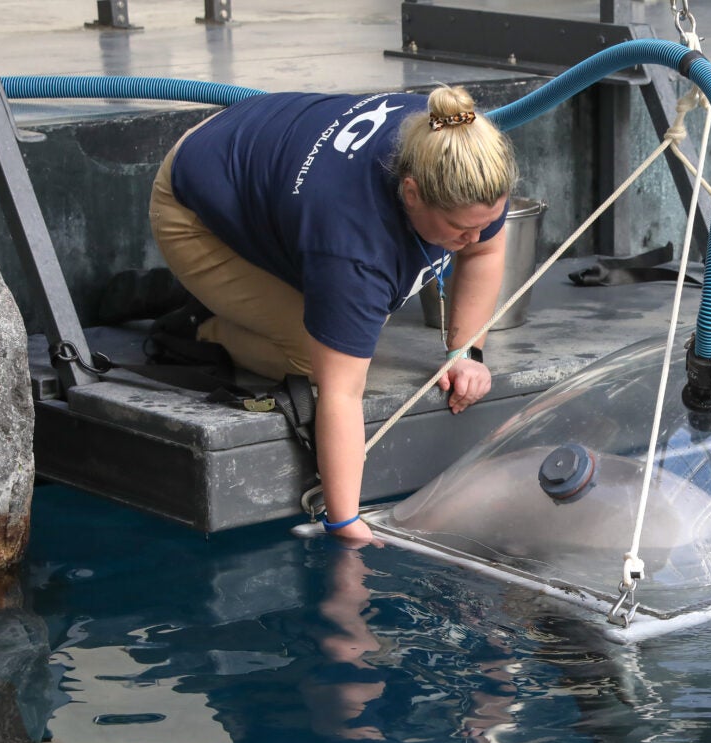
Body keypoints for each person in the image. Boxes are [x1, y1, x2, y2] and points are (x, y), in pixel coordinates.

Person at [149, 85, 518, 545]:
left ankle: (253, 291)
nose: (476, 236)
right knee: (314, 353)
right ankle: (201, 327)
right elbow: (340, 393)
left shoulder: (456, 140)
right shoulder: (353, 247)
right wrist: (345, 522)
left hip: (258, 148)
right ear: (411, 192)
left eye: (486, 220)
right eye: (460, 229)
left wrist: (466, 352)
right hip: (194, 207)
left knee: (354, 325)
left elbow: (486, 250)